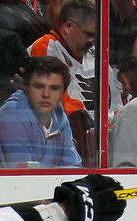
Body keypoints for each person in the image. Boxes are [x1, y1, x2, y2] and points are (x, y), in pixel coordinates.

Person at [29, 0, 96, 166]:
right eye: (89, 34)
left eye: (96, 35)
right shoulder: (45, 47)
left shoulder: (94, 52)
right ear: (67, 27)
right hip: (62, 136)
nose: (93, 41)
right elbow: (58, 105)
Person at [0, 55, 81, 168]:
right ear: (26, 88)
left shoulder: (60, 117)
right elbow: (24, 176)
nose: (46, 94)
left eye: (54, 88)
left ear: (63, 93)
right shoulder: (12, 115)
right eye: (39, 86)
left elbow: (74, 168)